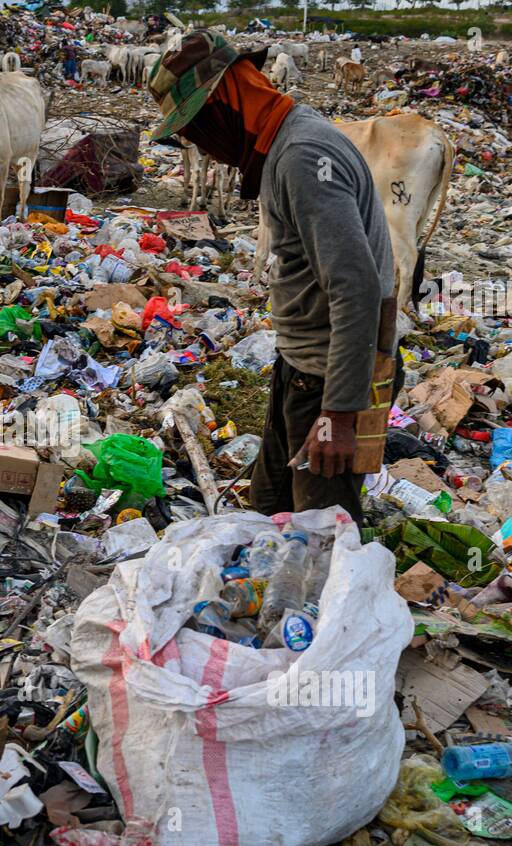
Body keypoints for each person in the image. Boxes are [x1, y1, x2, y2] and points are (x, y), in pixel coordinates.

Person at [147, 30, 397, 524]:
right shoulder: (293, 141)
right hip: (304, 370)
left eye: (198, 129)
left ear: (224, 104)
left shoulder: (302, 158)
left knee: (320, 535)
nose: (205, 148)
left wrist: (340, 416)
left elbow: (357, 285)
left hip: (331, 381)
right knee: (267, 513)